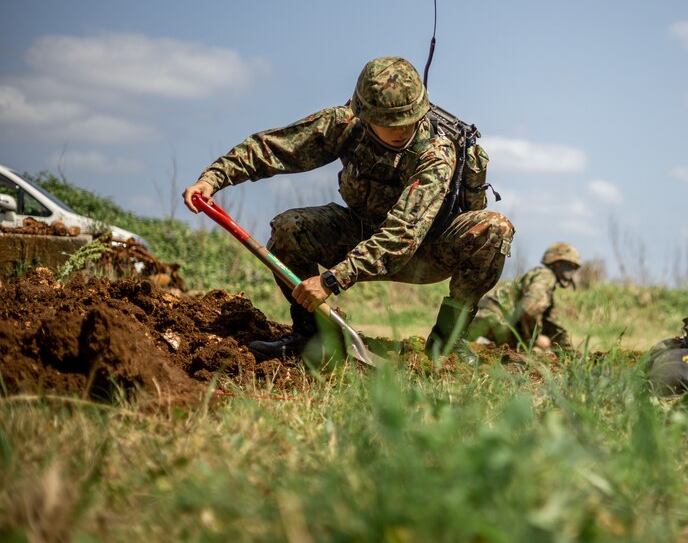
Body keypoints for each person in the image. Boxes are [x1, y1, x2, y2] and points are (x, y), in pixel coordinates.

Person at [182, 56, 515, 365]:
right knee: (290, 227)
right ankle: (312, 337)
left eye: (409, 120)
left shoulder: (436, 153)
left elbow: (403, 235)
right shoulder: (345, 124)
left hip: (427, 251)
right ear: (366, 115)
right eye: (390, 122)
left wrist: (332, 279)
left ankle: (448, 342)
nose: (401, 129)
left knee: (494, 228)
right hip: (360, 232)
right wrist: (213, 178)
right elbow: (274, 148)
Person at [470, 242, 581, 351]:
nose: (571, 272)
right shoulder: (546, 276)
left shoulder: (541, 278)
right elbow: (530, 309)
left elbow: (552, 324)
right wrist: (535, 338)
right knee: (531, 354)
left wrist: (568, 350)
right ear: (557, 263)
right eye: (570, 266)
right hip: (495, 321)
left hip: (484, 317)